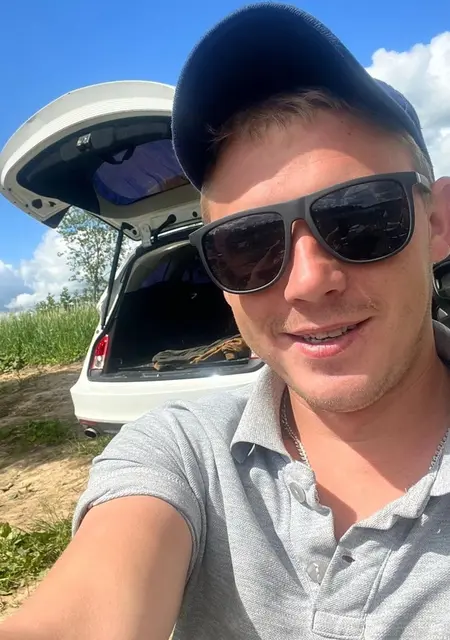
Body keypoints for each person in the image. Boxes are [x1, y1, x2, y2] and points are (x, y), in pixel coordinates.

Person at [2, 4, 450, 639]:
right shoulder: (183, 453)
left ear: (438, 223)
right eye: (247, 245)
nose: (307, 280)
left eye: (359, 218)